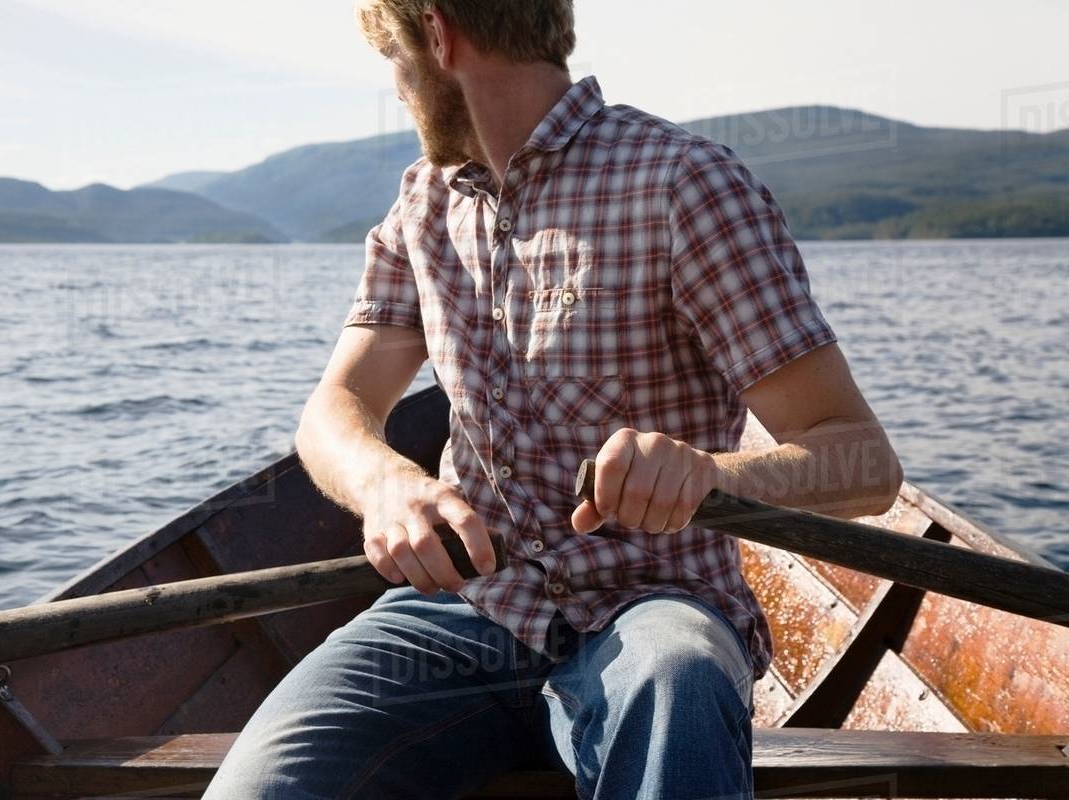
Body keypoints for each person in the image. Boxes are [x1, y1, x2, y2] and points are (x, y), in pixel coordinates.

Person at [203, 2, 903, 798]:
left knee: (676, 679)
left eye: (394, 59)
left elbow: (863, 461)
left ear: (437, 35)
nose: (396, 89)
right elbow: (336, 406)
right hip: (467, 612)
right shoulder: (422, 205)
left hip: (653, 610)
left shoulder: (684, 183)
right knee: (265, 781)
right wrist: (384, 485)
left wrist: (711, 475)